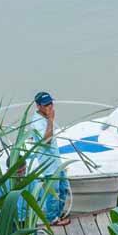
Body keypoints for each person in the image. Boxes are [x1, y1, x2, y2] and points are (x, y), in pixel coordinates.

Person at [30, 92, 70, 226]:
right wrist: (51, 120)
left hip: (56, 162)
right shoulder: (37, 122)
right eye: (46, 105)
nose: (50, 107)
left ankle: (58, 214)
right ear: (38, 106)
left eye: (50, 103)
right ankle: (52, 218)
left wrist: (49, 119)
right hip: (49, 165)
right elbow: (47, 140)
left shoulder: (45, 117)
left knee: (63, 189)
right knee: (53, 193)